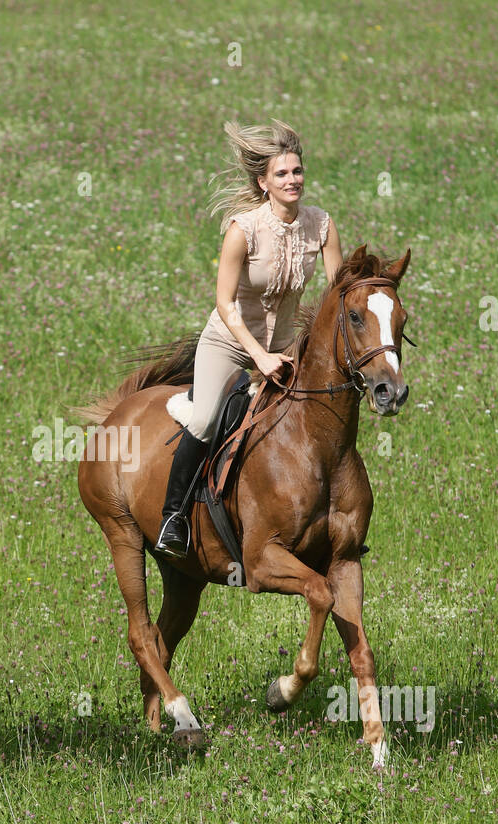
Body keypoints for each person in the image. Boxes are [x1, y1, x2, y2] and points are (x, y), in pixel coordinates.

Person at [155, 120, 344, 557]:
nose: (292, 180)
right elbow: (226, 304)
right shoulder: (244, 229)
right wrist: (259, 357)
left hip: (286, 347)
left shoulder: (322, 226)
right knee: (204, 419)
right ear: (263, 183)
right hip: (231, 342)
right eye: (281, 174)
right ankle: (174, 517)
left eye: (297, 171)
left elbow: (337, 295)